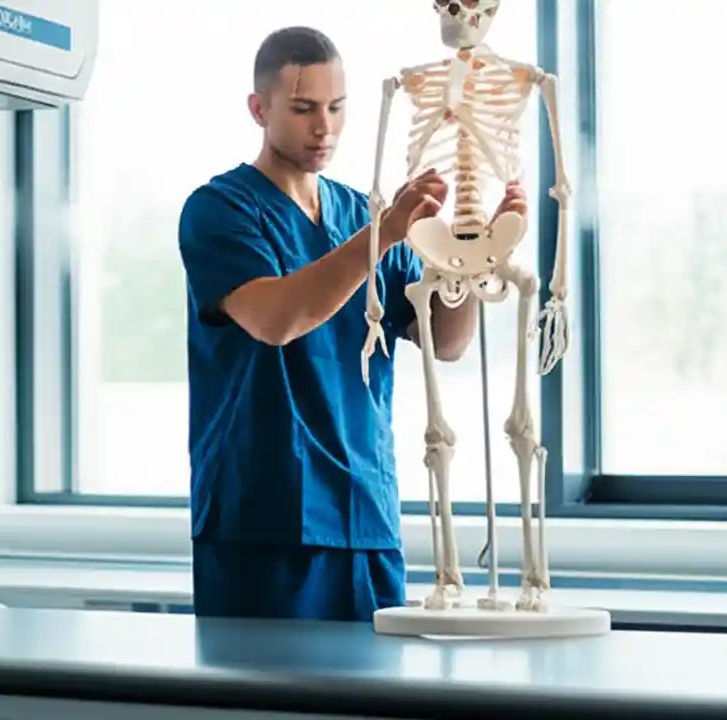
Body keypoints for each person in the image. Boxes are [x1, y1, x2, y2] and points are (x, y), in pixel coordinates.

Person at [177, 26, 527, 622]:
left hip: (366, 517)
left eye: (337, 108)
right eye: (303, 109)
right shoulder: (221, 210)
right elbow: (276, 319)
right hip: (264, 519)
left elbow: (448, 340)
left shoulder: (361, 216)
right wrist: (383, 236)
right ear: (259, 109)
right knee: (262, 682)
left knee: (376, 681)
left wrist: (474, 255)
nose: (325, 128)